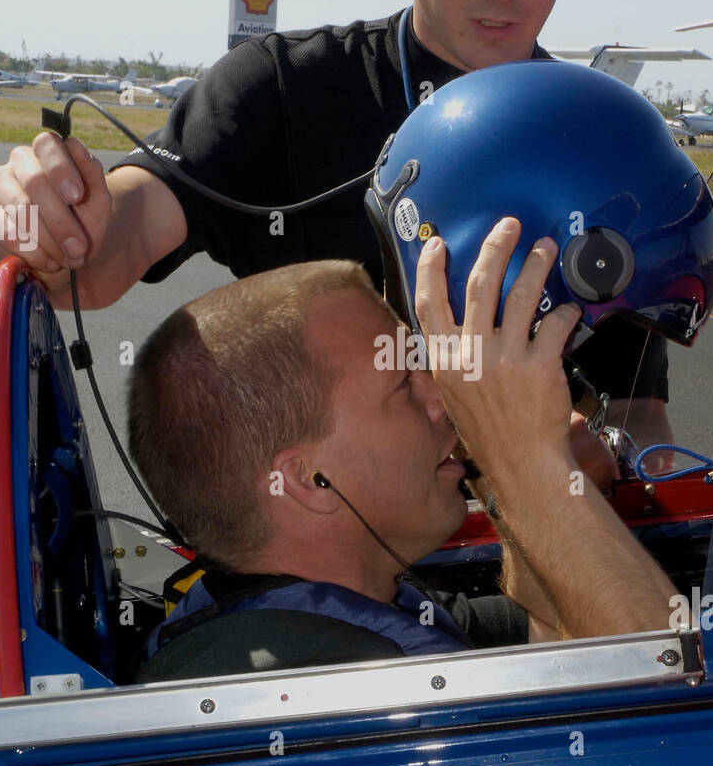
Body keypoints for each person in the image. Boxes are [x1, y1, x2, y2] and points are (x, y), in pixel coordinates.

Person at [0, 0, 672, 448]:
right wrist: (54, 224)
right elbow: (103, 255)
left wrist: (589, 460)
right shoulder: (281, 90)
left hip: (514, 547)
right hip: (316, 544)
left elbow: (641, 421)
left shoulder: (600, 146)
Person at [126, 220, 680, 683]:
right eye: (403, 383)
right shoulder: (349, 689)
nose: (444, 396)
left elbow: (546, 637)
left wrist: (510, 468)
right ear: (308, 479)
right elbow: (676, 715)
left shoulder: (320, 608)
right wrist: (528, 460)